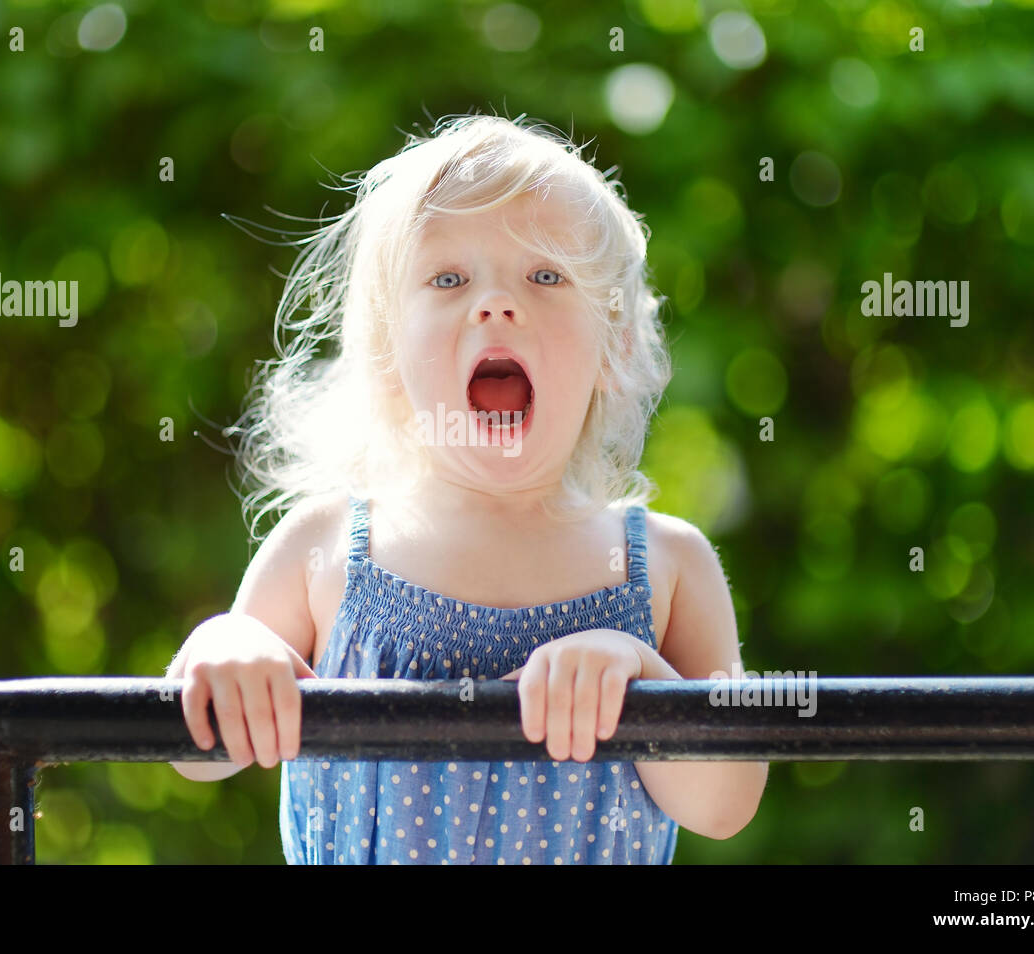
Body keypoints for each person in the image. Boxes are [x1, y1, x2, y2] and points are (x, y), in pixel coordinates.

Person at [168, 113, 767, 863]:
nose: (495, 303)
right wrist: (225, 648)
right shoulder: (326, 545)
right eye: (448, 279)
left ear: (613, 344)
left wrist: (642, 675)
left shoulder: (665, 565)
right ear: (387, 351)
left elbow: (728, 802)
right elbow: (198, 754)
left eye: (546, 275)